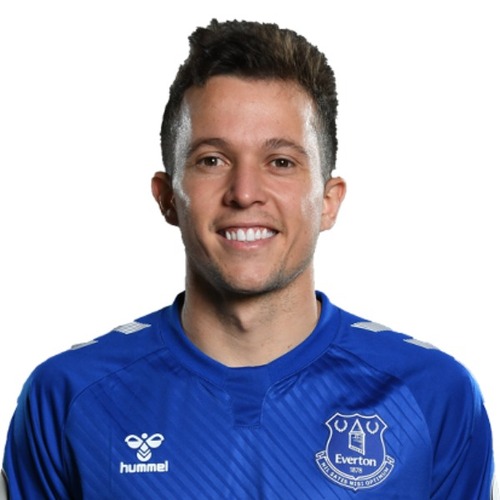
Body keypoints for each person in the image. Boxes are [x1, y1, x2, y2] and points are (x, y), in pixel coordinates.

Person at [1, 19, 496, 499]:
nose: (244, 192)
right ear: (168, 197)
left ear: (328, 201)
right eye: (212, 160)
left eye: (280, 162)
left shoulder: (430, 396)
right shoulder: (70, 397)